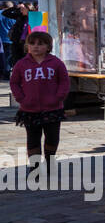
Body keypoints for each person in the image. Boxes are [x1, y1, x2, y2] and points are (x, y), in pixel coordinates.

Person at [10, 30, 70, 166]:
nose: (36, 46)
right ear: (27, 46)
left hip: (53, 108)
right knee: (32, 139)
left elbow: (64, 81)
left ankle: (50, 162)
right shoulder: (21, 64)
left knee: (52, 138)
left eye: (40, 44)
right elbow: (14, 82)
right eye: (32, 44)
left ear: (48, 47)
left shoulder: (56, 63)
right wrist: (21, 98)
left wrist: (59, 97)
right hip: (29, 109)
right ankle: (35, 167)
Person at [6, 2, 30, 69]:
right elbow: (5, 13)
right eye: (21, 9)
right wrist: (15, 7)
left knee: (25, 60)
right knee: (15, 60)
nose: (21, 10)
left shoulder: (34, 17)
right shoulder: (20, 16)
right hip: (17, 41)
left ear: (28, 9)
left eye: (23, 9)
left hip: (27, 43)